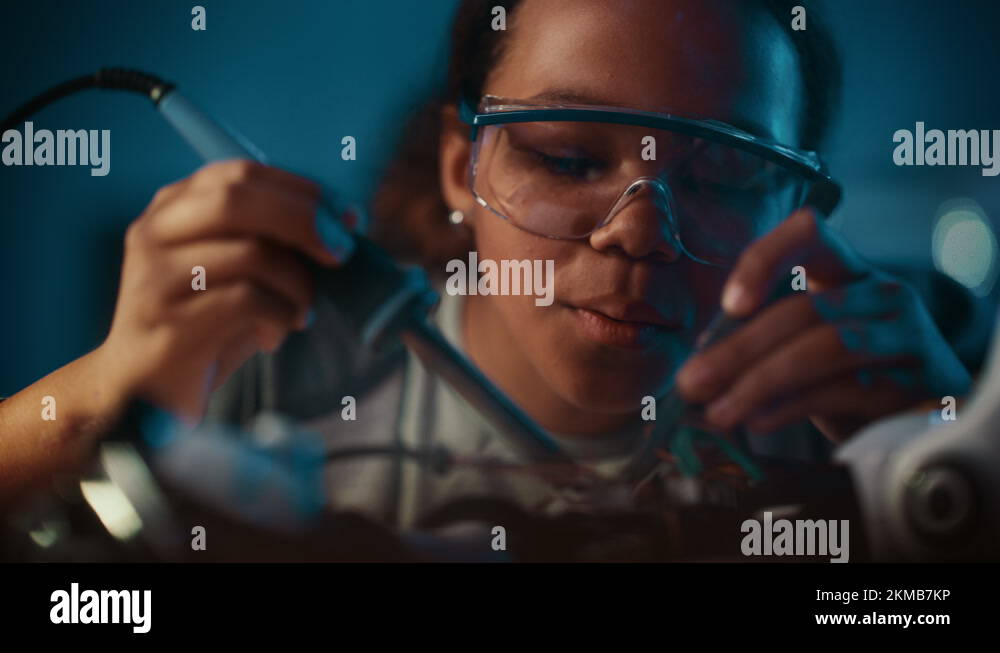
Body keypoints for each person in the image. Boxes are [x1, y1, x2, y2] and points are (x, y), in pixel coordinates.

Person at [0, 0, 974, 531]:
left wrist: (965, 477)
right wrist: (104, 399)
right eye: (564, 157)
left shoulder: (890, 417)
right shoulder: (267, 359)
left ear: (800, 210)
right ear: (464, 168)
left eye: (722, 174)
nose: (637, 234)